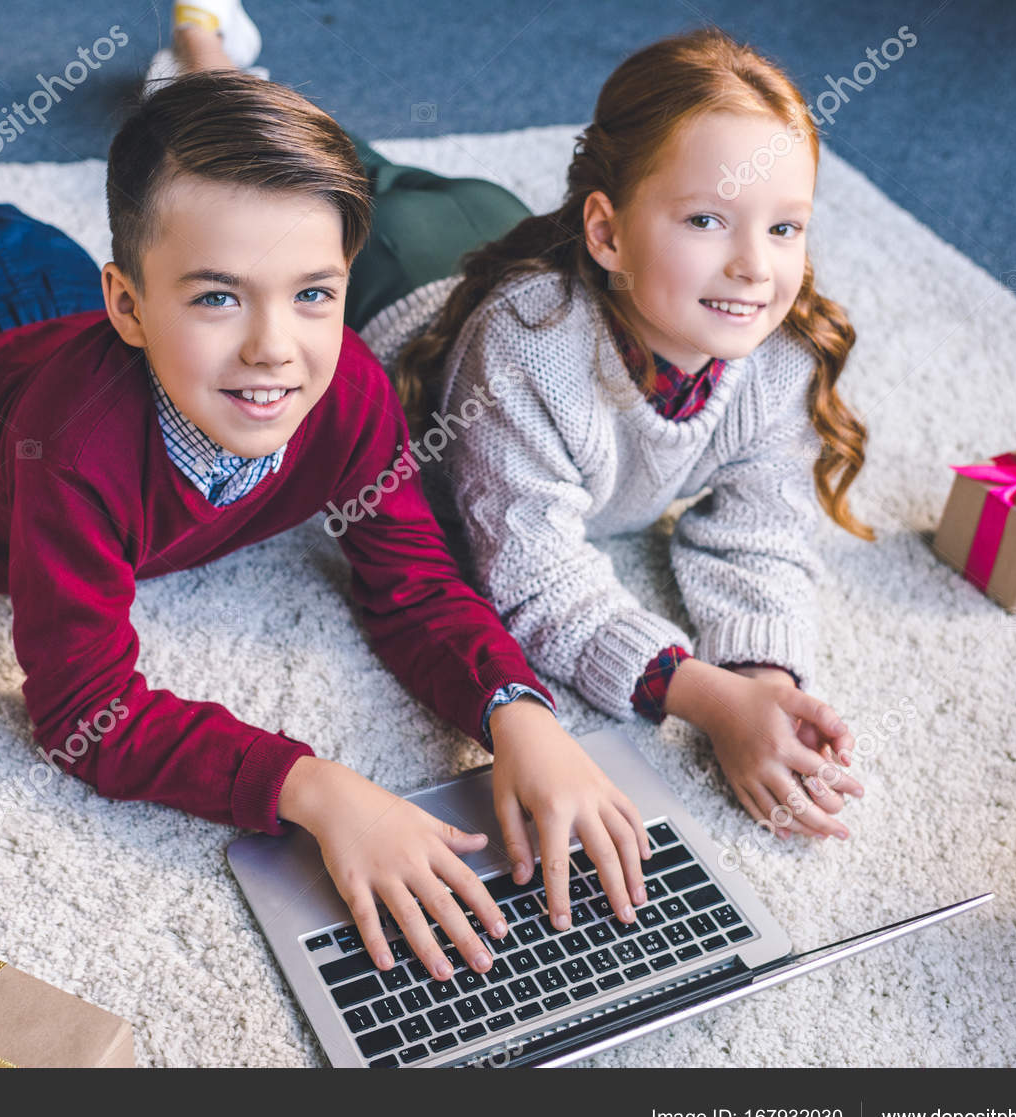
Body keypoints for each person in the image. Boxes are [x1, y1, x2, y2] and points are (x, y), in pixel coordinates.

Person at [0, 0, 656, 984]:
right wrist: (310, 787)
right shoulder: (77, 452)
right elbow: (82, 712)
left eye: (311, 291)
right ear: (130, 305)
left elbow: (412, 585)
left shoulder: (345, 382)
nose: (275, 346)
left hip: (40, 281)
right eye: (219, 295)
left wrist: (515, 708)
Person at [346, 27, 866, 842]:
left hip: (498, 222)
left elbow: (762, 534)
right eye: (707, 219)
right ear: (608, 232)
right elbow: (535, 583)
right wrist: (707, 698)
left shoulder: (777, 351)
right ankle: (203, 54)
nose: (756, 269)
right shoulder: (526, 348)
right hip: (395, 266)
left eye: (784, 228)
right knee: (302, 155)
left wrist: (760, 680)